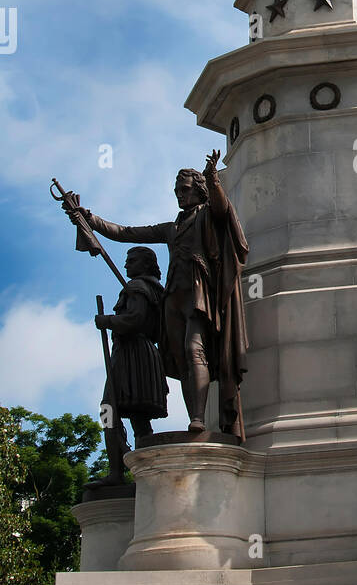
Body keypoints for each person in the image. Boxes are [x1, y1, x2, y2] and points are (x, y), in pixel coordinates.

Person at [65, 151, 248, 437]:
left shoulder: (208, 217)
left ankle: (198, 418)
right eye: (177, 191)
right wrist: (89, 218)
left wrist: (213, 178)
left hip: (199, 297)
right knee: (180, 359)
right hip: (173, 299)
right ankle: (194, 418)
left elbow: (223, 210)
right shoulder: (171, 228)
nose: (180, 196)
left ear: (198, 191)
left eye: (185, 190)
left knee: (194, 350)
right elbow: (125, 232)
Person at [95, 246, 168, 466]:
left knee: (108, 408)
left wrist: (106, 321)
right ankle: (143, 469)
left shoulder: (136, 287)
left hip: (131, 355)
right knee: (139, 416)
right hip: (145, 356)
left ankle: (116, 471)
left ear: (146, 264)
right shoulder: (156, 290)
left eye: (132, 260)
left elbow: (135, 318)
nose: (126, 264)